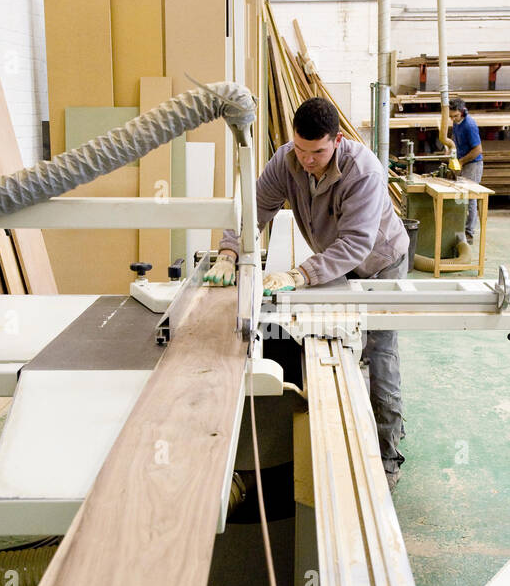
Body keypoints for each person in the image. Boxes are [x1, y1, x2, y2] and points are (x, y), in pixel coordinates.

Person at [203, 97, 411, 490]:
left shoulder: (363, 170)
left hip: (380, 261)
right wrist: (229, 253)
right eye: (300, 149)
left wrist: (300, 275)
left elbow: (355, 246)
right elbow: (254, 211)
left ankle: (387, 455)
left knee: (379, 353)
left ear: (338, 140)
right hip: (338, 260)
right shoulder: (287, 161)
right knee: (348, 345)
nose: (307, 160)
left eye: (316, 151)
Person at [450, 97, 483, 246]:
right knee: (459, 195)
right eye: (451, 116)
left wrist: (461, 161)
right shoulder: (456, 122)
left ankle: (469, 233)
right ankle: (459, 228)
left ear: (463, 112)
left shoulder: (469, 125)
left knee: (470, 198)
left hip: (472, 164)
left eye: (455, 116)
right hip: (461, 161)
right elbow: (453, 139)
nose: (453, 119)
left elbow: (478, 150)